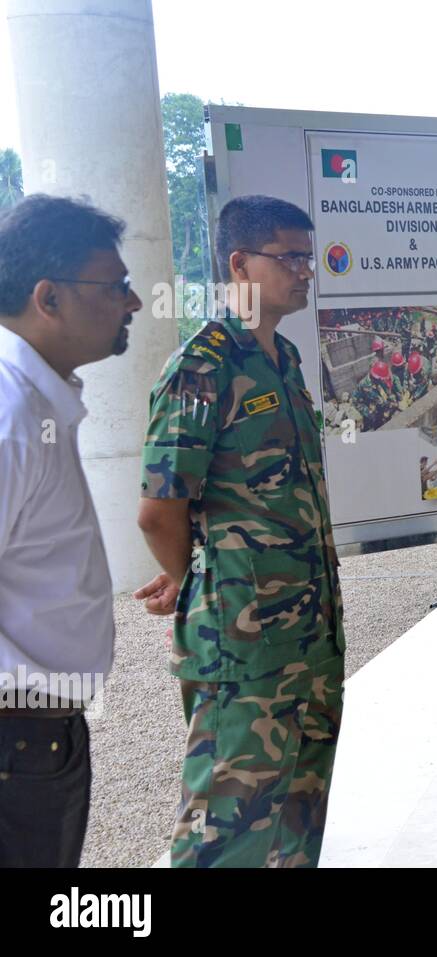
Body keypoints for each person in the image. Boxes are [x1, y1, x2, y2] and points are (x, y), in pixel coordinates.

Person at [135, 195, 345, 867]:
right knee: (223, 831)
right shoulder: (204, 366)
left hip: (307, 637)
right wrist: (188, 575)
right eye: (290, 258)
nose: (305, 271)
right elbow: (159, 508)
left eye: (308, 259)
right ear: (238, 263)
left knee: (296, 824)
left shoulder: (281, 358)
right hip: (243, 645)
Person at [0, 195, 141, 866]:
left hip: (38, 741)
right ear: (48, 298)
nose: (135, 302)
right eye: (113, 287)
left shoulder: (34, 401)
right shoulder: (9, 416)